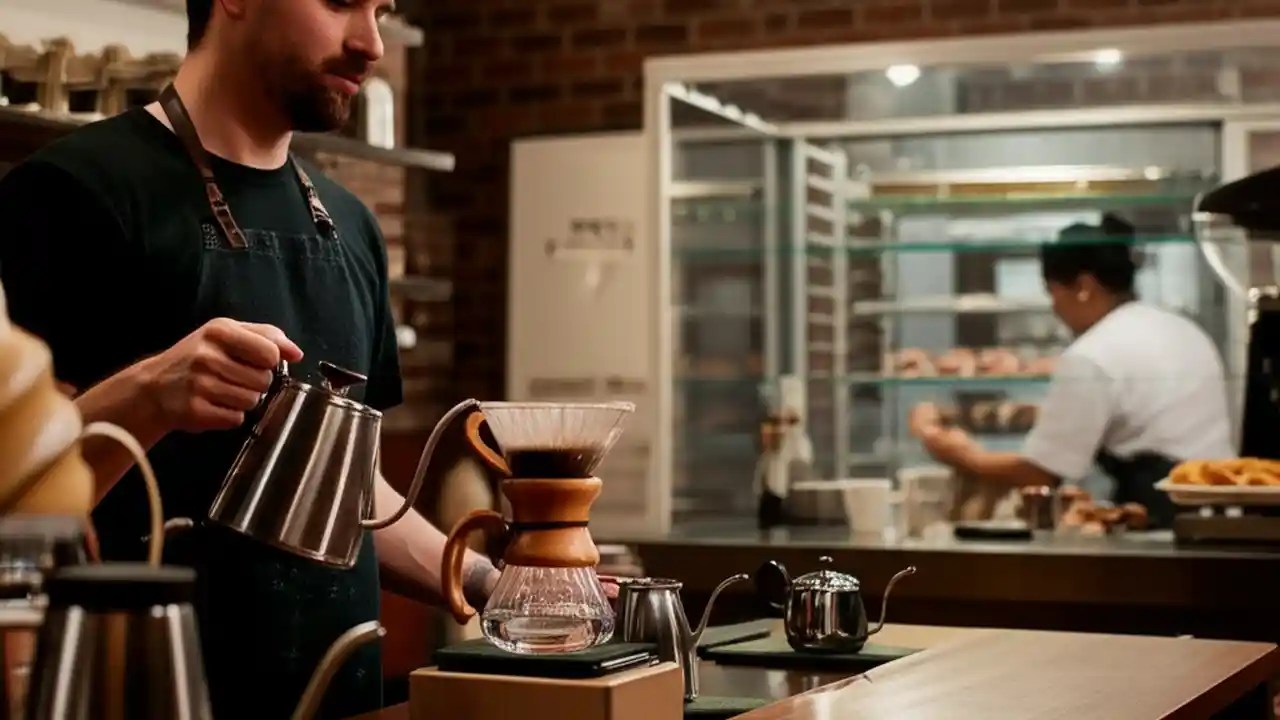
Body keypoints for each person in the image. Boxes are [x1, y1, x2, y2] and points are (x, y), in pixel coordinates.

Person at [0, 1, 503, 718]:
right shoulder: (68, 194)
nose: (371, 43)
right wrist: (148, 394)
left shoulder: (352, 226)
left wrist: (486, 580)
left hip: (340, 692)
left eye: (381, 10)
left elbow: (348, 481)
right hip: (153, 690)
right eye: (339, 3)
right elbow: (16, 505)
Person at [909, 214, 1235, 529]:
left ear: (1083, 286)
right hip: (1223, 514)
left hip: (1161, 520)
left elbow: (1039, 475)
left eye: (1053, 293)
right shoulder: (1183, 329)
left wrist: (962, 455)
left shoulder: (1092, 354)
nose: (1054, 308)